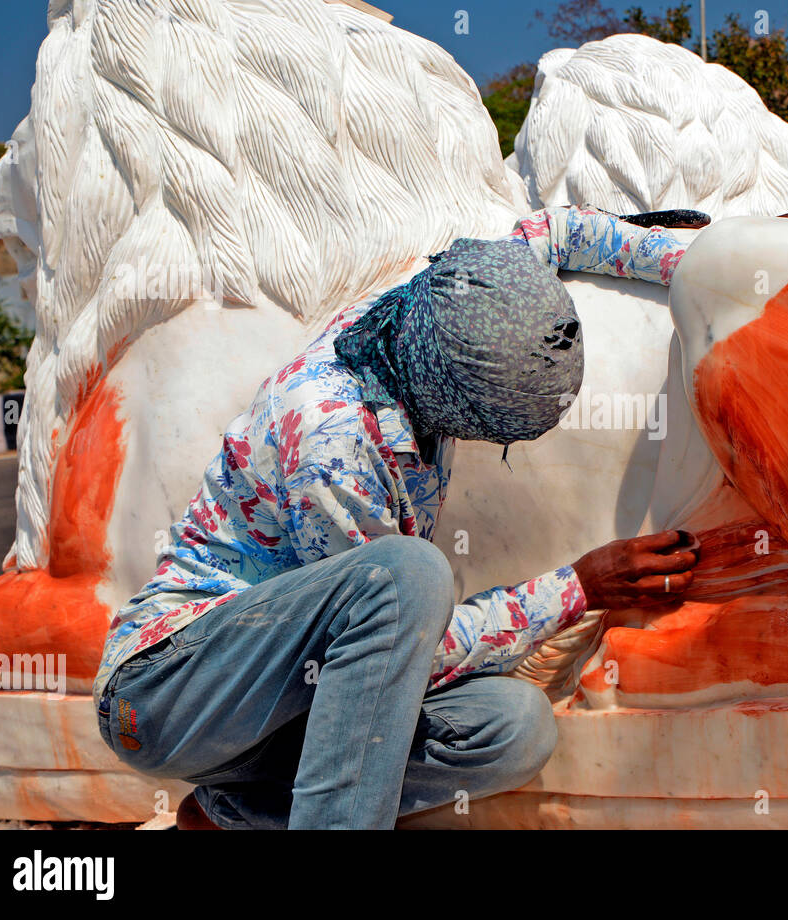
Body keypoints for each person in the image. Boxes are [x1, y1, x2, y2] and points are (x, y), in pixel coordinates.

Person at [93, 205, 701, 829]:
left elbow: (560, 232)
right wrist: (577, 587)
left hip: (276, 721)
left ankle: (237, 812)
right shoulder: (334, 442)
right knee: (407, 573)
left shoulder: (450, 305)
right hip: (174, 694)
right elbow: (405, 650)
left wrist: (708, 265)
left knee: (512, 726)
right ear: (448, 395)